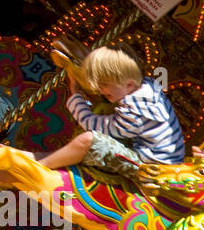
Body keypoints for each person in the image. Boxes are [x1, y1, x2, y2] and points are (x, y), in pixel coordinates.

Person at [42, 44, 185, 175]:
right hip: (166, 158)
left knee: (89, 140)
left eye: (104, 85)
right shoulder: (147, 87)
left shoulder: (135, 113)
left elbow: (92, 124)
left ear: (129, 84)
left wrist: (75, 94)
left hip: (153, 169)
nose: (101, 90)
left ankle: (42, 166)